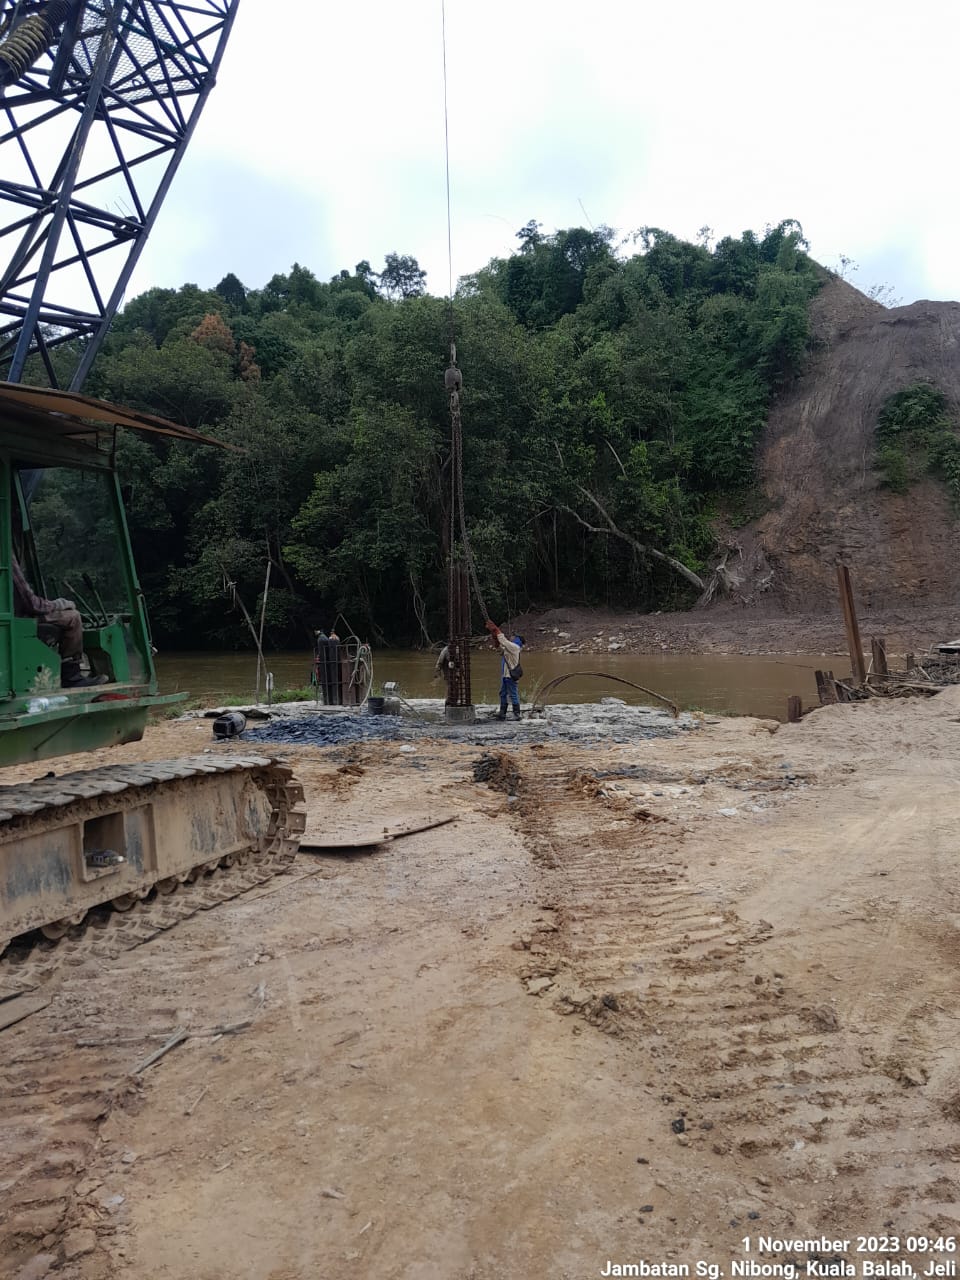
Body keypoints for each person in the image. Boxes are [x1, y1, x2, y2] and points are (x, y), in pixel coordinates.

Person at [11, 558, 107, 688]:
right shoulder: (5, 555)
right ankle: (71, 677)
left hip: (12, 618)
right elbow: (32, 604)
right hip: (17, 620)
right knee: (73, 617)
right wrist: (60, 604)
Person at [485, 620, 524, 721]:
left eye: (514, 636)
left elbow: (504, 642)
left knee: (513, 694)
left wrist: (496, 630)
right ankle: (502, 713)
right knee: (502, 693)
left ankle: (517, 714)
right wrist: (496, 641)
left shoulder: (515, 647)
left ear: (517, 640)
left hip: (510, 676)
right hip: (506, 675)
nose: (512, 637)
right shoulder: (511, 649)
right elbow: (500, 650)